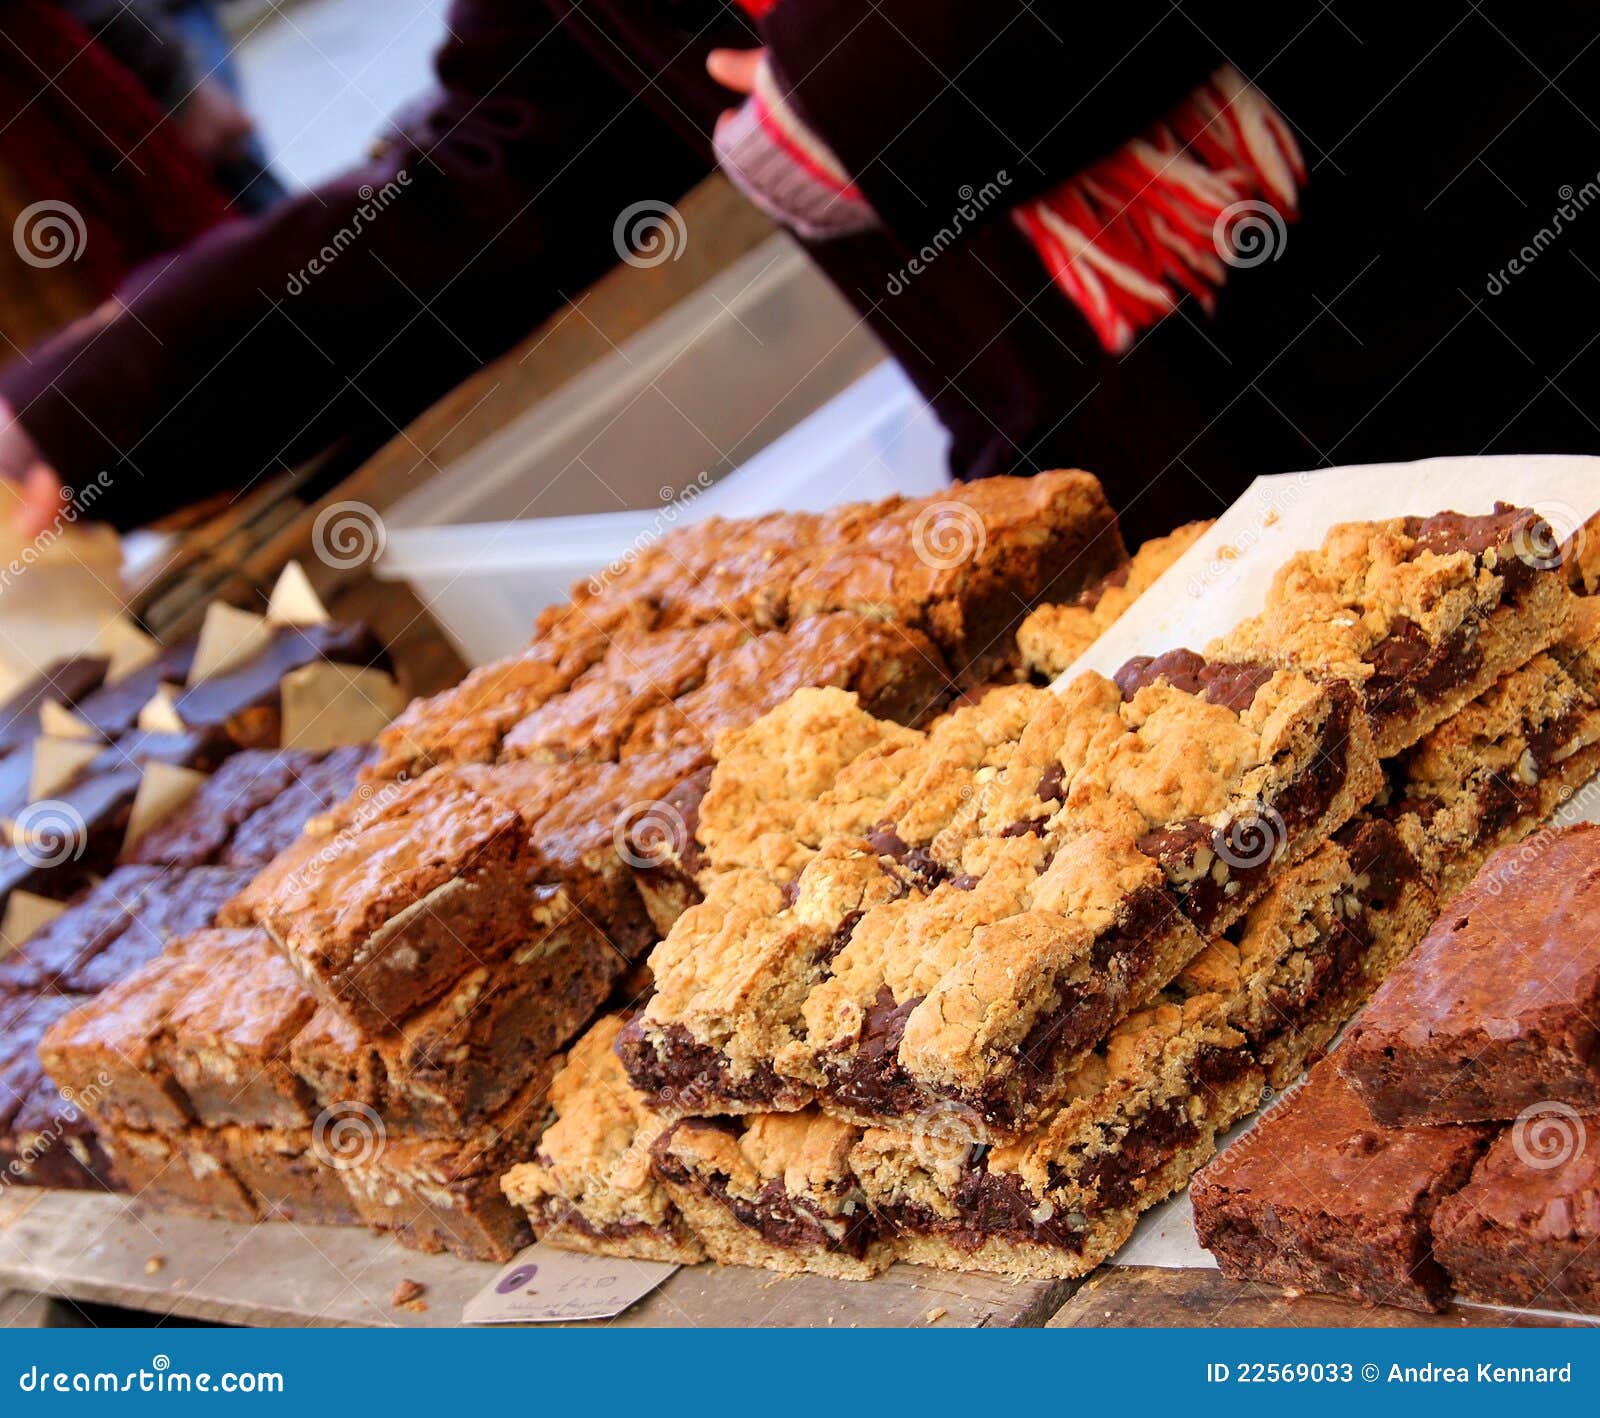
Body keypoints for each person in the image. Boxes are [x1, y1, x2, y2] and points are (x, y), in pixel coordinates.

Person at [4, 1, 1600, 546]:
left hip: (1491, 287)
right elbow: (505, 158)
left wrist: (842, 101)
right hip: (1177, 471)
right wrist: (81, 409)